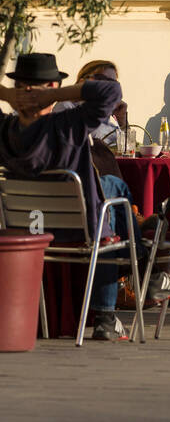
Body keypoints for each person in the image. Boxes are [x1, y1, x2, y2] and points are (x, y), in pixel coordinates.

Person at [0, 53, 142, 340]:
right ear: (53, 87)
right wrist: (55, 92)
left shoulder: (4, 130)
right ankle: (108, 314)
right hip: (78, 230)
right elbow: (111, 91)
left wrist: (8, 95)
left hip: (24, 229)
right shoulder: (67, 125)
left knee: (112, 192)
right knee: (113, 210)